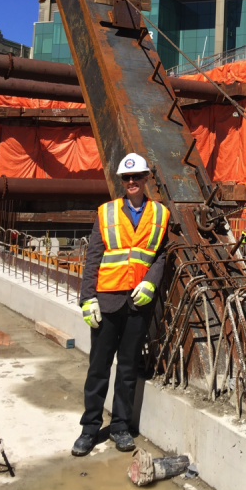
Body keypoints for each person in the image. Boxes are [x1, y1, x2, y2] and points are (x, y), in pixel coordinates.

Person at [71, 153, 170, 457]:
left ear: (145, 179)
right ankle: (89, 430)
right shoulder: (106, 213)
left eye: (136, 177)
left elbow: (162, 254)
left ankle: (120, 427)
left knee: (127, 370)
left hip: (138, 305)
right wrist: (87, 299)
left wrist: (151, 282)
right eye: (126, 178)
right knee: (98, 369)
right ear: (121, 182)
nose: (131, 182)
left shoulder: (160, 214)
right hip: (108, 301)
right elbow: (93, 259)